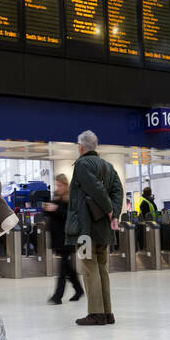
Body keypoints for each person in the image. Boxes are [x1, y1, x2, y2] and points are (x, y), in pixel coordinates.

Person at [67, 130, 123, 326]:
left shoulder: (82, 164)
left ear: (81, 147)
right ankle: (107, 313)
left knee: (89, 268)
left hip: (85, 228)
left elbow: (94, 188)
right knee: (102, 269)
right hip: (104, 229)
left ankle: (96, 313)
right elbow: (118, 190)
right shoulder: (108, 167)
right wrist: (114, 213)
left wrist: (108, 209)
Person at [42, 174, 83, 305]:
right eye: (56, 185)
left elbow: (69, 216)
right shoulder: (56, 199)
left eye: (59, 185)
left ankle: (57, 296)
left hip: (67, 238)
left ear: (65, 186)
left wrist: (56, 209)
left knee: (62, 269)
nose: (57, 188)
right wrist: (47, 209)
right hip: (57, 238)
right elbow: (53, 215)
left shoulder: (70, 200)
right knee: (68, 268)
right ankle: (79, 289)